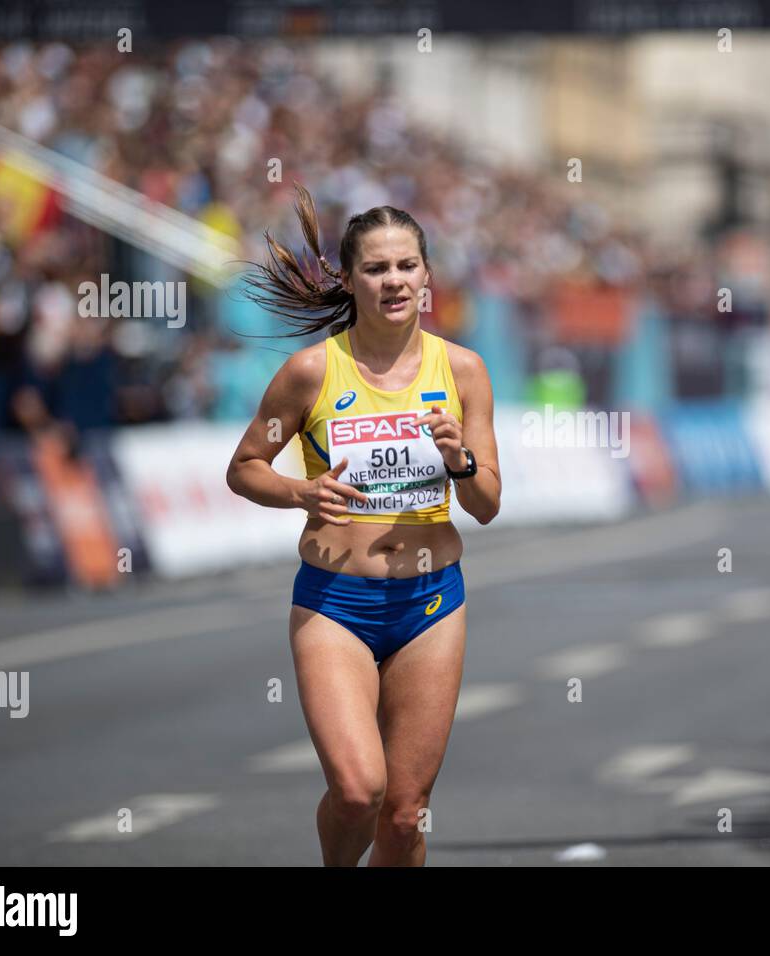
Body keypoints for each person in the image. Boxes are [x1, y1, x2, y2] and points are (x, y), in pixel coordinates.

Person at [226, 185, 501, 867]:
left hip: (430, 603)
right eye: (376, 268)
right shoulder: (310, 372)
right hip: (335, 602)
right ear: (349, 280)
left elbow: (487, 503)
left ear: (427, 275)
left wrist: (459, 460)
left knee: (404, 815)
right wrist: (300, 492)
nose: (394, 281)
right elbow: (245, 467)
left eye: (407, 265)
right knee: (357, 792)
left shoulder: (463, 371)